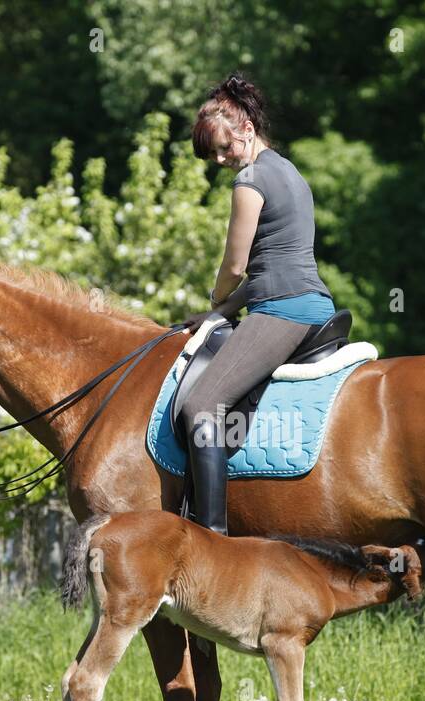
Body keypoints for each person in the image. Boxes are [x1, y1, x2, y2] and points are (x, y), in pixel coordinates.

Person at [181, 71, 336, 535]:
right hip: (315, 306)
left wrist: (218, 296)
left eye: (224, 147)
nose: (222, 159)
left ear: (247, 127)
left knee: (203, 405)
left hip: (283, 312)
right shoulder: (290, 172)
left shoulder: (250, 180)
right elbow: (272, 266)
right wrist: (219, 316)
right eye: (214, 155)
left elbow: (235, 266)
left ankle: (211, 538)